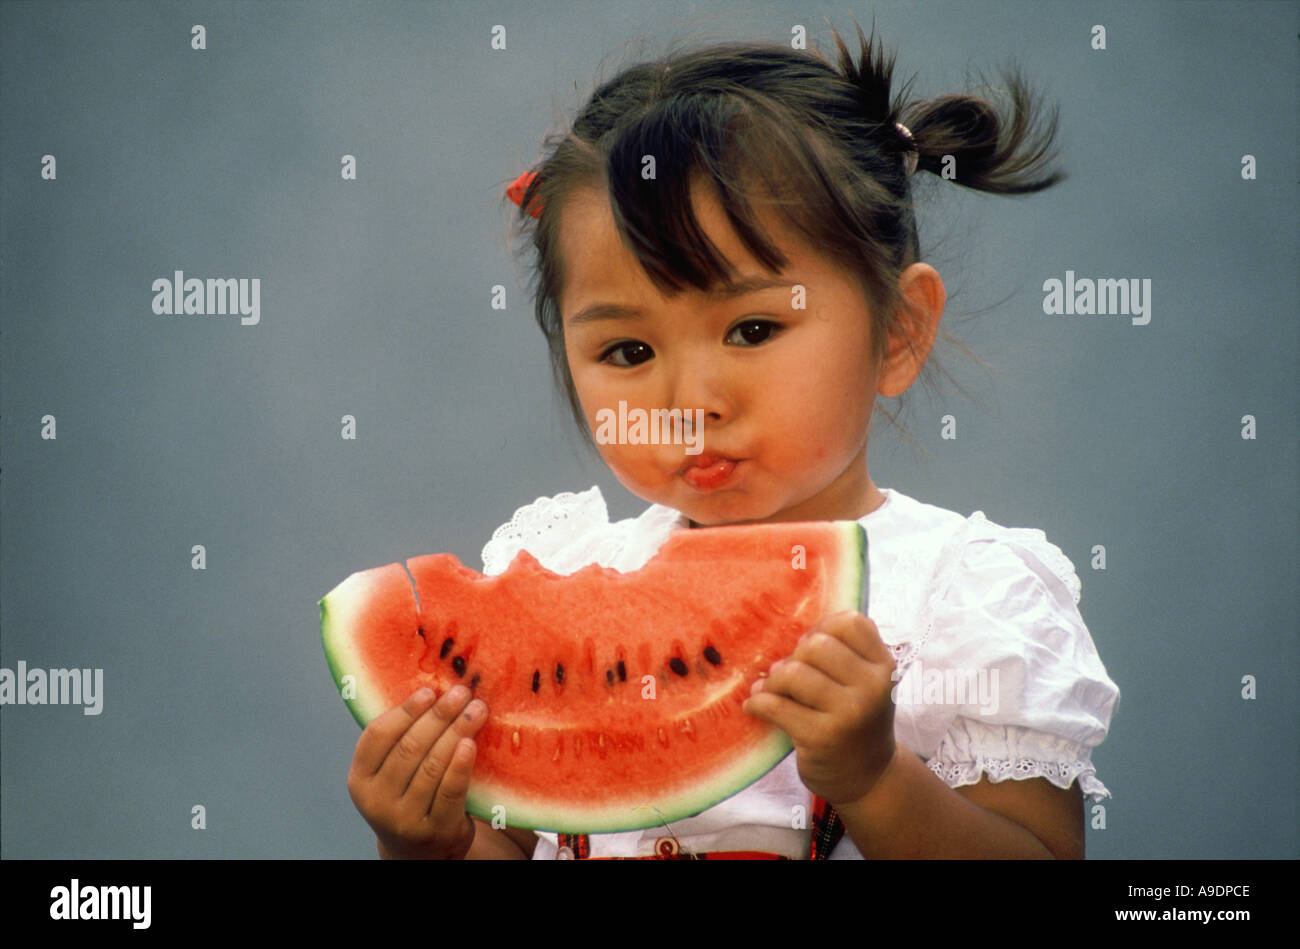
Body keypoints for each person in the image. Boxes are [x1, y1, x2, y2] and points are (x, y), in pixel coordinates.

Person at [346, 21, 1120, 860]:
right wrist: (424, 844)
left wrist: (874, 780)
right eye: (629, 352)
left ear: (897, 330)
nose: (690, 401)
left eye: (752, 328)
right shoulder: (563, 574)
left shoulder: (963, 599)